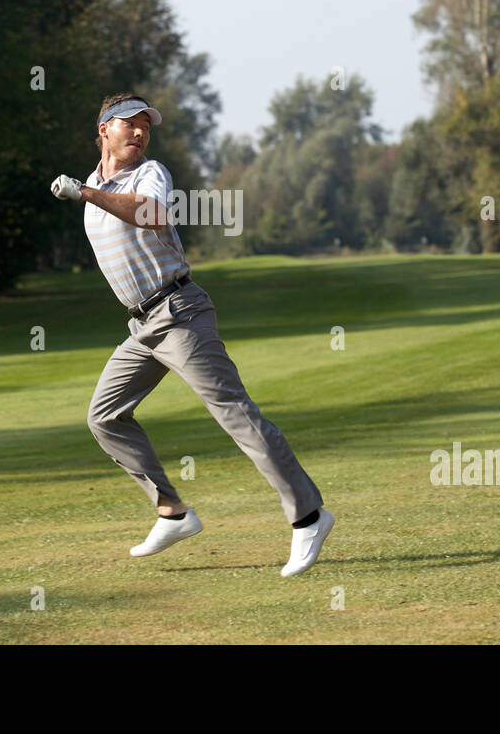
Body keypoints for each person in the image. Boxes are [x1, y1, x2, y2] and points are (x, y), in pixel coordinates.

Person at [50, 93, 333, 575]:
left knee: (236, 415)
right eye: (130, 125)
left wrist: (86, 194)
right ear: (103, 129)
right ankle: (172, 511)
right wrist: (89, 190)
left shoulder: (148, 174)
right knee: (105, 417)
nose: (140, 134)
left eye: (146, 127)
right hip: (141, 326)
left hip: (178, 311)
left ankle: (309, 515)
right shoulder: (95, 184)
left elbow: (152, 214)